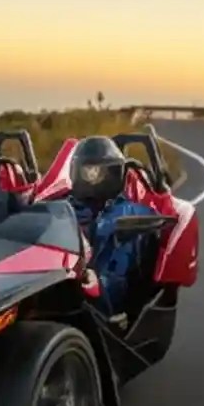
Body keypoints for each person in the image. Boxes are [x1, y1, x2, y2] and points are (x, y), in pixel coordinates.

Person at [69, 136, 159, 318]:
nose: (90, 178)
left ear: (113, 172)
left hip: (105, 295)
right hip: (63, 278)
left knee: (116, 240)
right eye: (85, 171)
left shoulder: (133, 213)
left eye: (94, 171)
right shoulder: (64, 206)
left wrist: (97, 285)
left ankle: (102, 296)